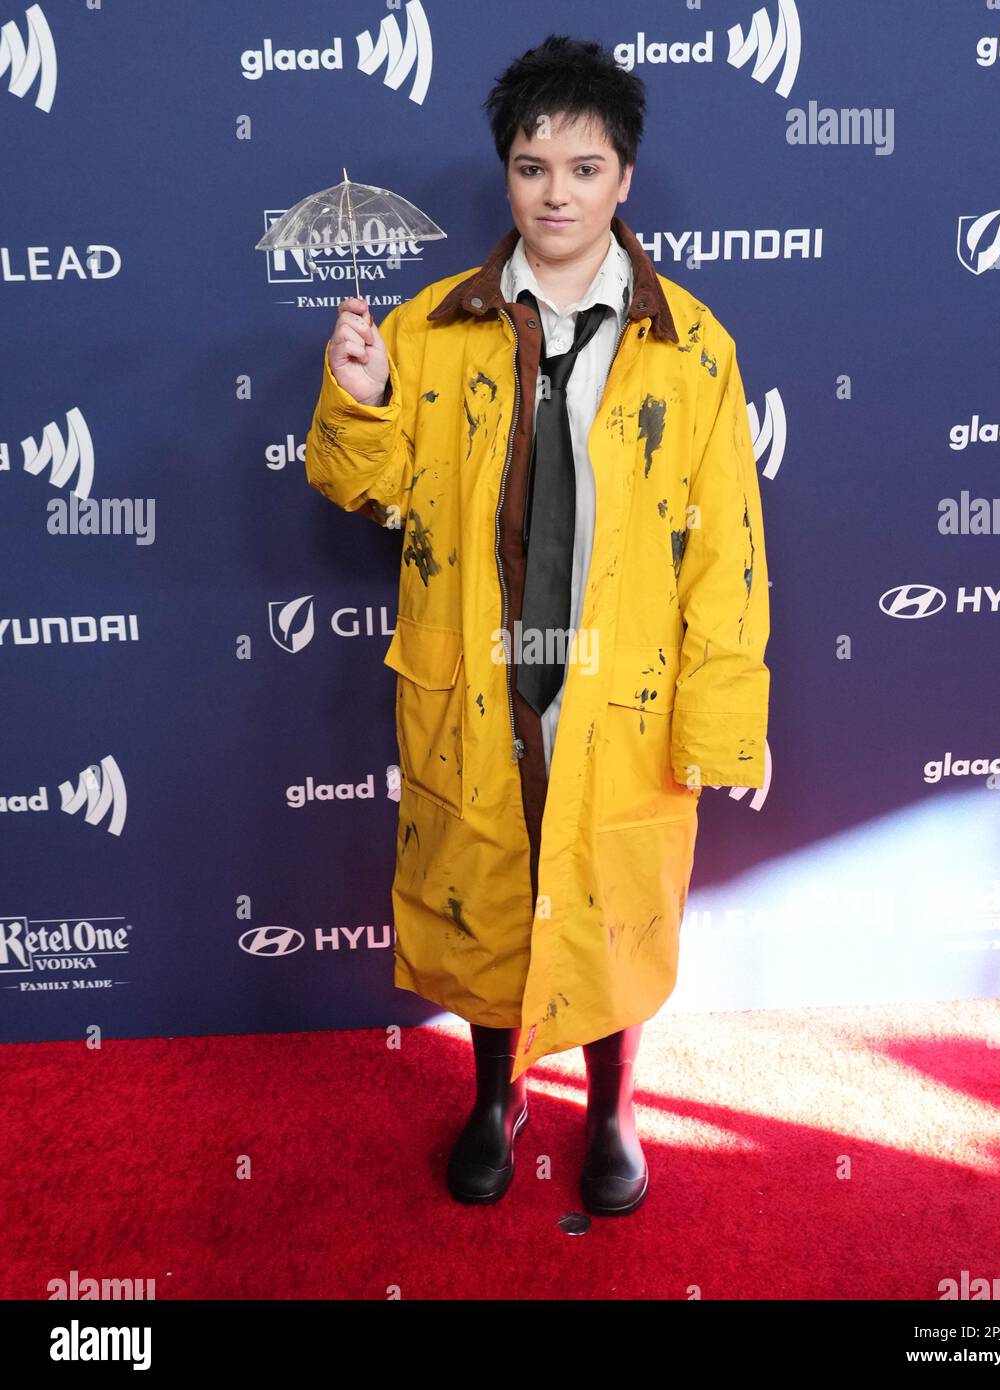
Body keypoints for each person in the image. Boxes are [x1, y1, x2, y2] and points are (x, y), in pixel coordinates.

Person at [304, 34, 771, 1216]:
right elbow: (371, 486)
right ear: (503, 177)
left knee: (609, 892)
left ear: (624, 180)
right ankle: (492, 1094)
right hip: (477, 677)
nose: (553, 193)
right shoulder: (431, 326)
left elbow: (728, 552)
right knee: (484, 890)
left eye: (581, 167)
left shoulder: (692, 346)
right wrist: (357, 400)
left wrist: (719, 720)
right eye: (529, 166)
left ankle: (611, 1106)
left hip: (619, 690)